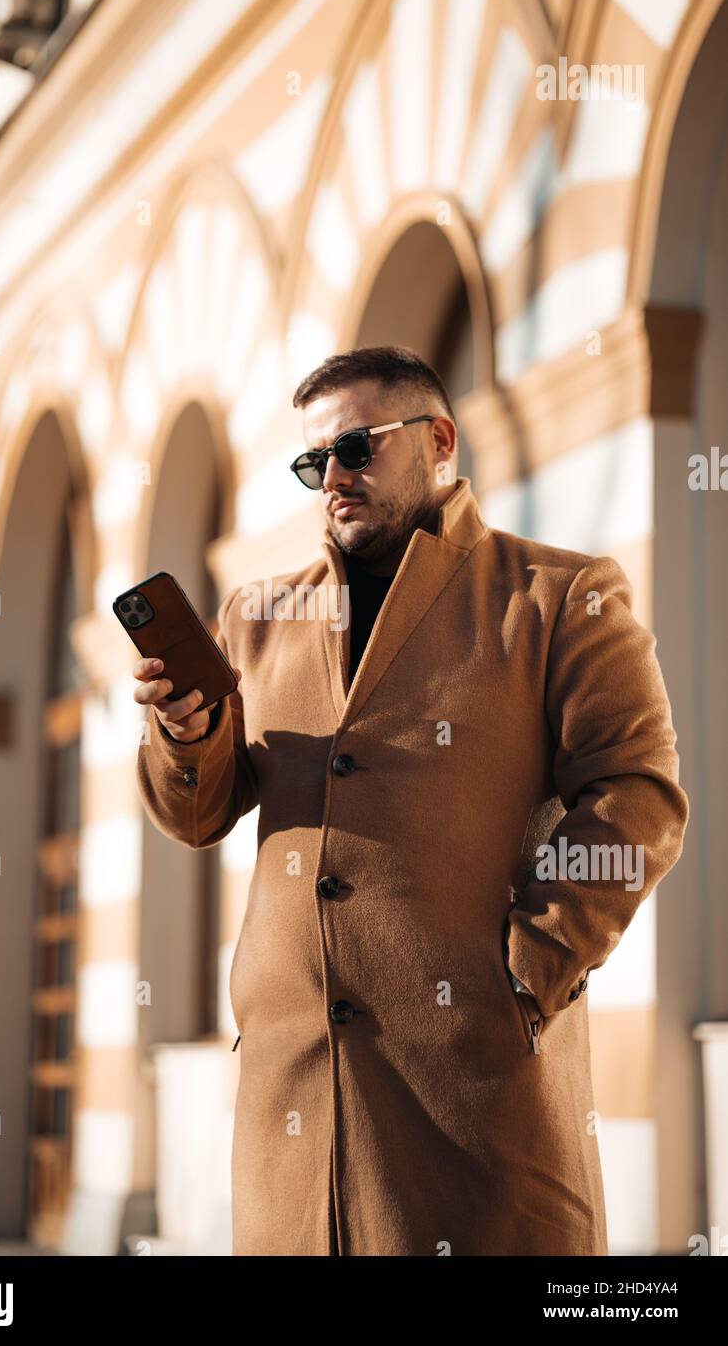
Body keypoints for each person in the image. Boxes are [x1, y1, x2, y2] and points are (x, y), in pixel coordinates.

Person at [133, 345, 689, 1256]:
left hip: (475, 1097)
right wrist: (186, 737)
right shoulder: (258, 616)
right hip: (291, 1106)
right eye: (316, 463)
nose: (334, 479)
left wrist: (529, 966)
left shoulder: (557, 595)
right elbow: (198, 815)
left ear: (438, 440)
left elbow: (640, 795)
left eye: (356, 447)